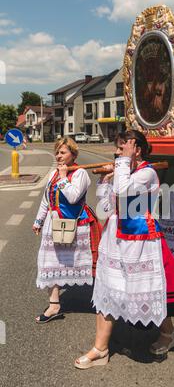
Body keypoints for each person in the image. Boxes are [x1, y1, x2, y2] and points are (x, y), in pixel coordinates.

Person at [75, 130, 174, 369]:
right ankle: (101, 348)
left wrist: (121, 167)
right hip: (115, 237)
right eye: (117, 149)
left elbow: (124, 191)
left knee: (144, 292)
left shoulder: (147, 172)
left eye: (122, 148)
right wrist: (103, 182)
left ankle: (168, 334)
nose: (117, 153)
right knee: (108, 290)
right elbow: (107, 206)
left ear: (136, 149)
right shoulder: (122, 172)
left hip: (140, 240)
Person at [33, 137, 101, 323]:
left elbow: (72, 197)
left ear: (73, 154)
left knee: (84, 263)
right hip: (53, 224)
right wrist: (38, 221)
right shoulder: (53, 174)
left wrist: (64, 178)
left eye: (63, 152)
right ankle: (54, 305)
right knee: (49, 264)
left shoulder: (80, 174)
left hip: (75, 226)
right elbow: (47, 199)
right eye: (57, 152)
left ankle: (104, 298)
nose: (58, 156)